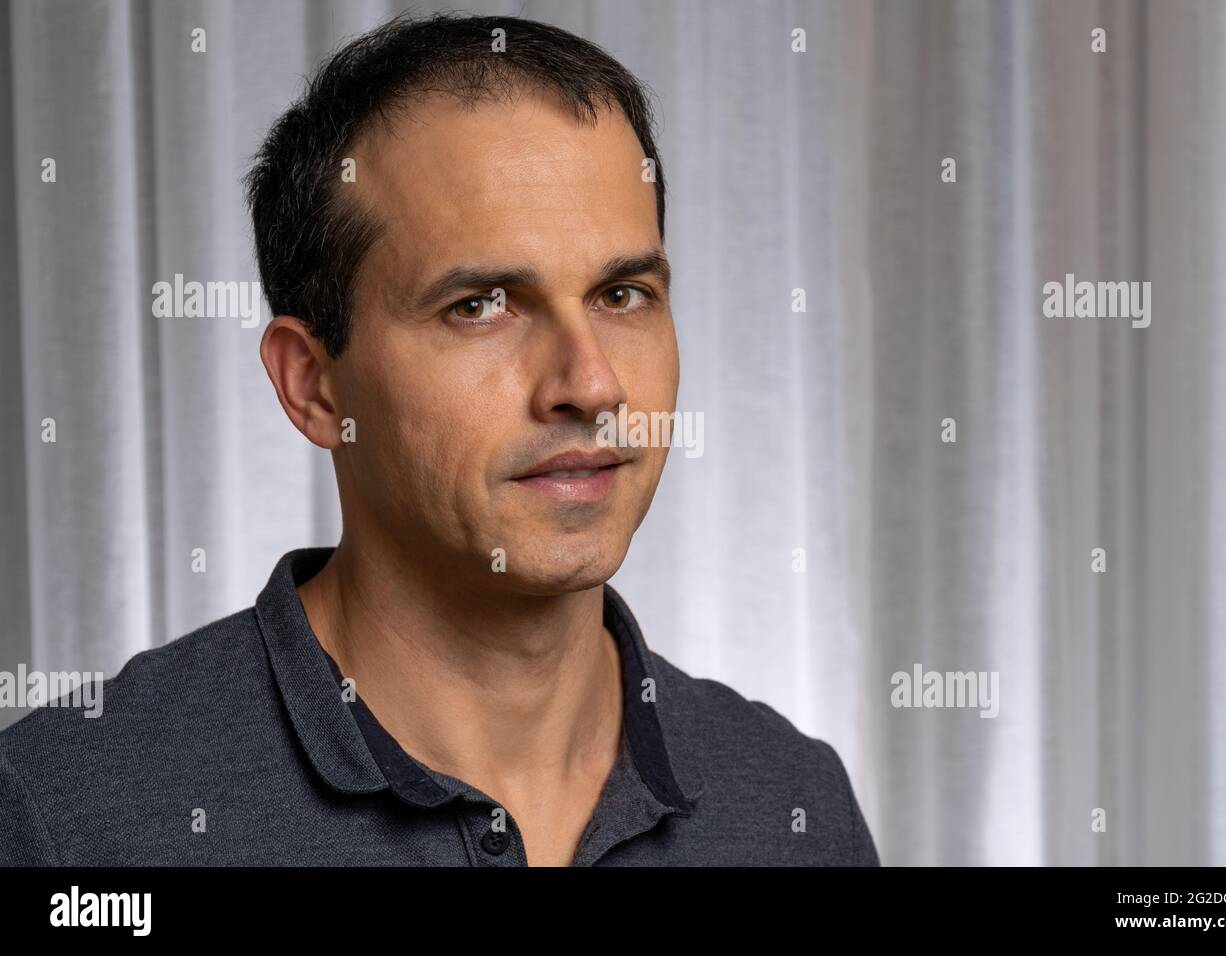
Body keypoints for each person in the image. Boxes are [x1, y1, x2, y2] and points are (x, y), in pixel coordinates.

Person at [0, 11, 880, 867]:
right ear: (311, 384)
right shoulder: (67, 815)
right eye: (481, 306)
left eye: (622, 295)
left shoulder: (793, 803)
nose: (592, 385)